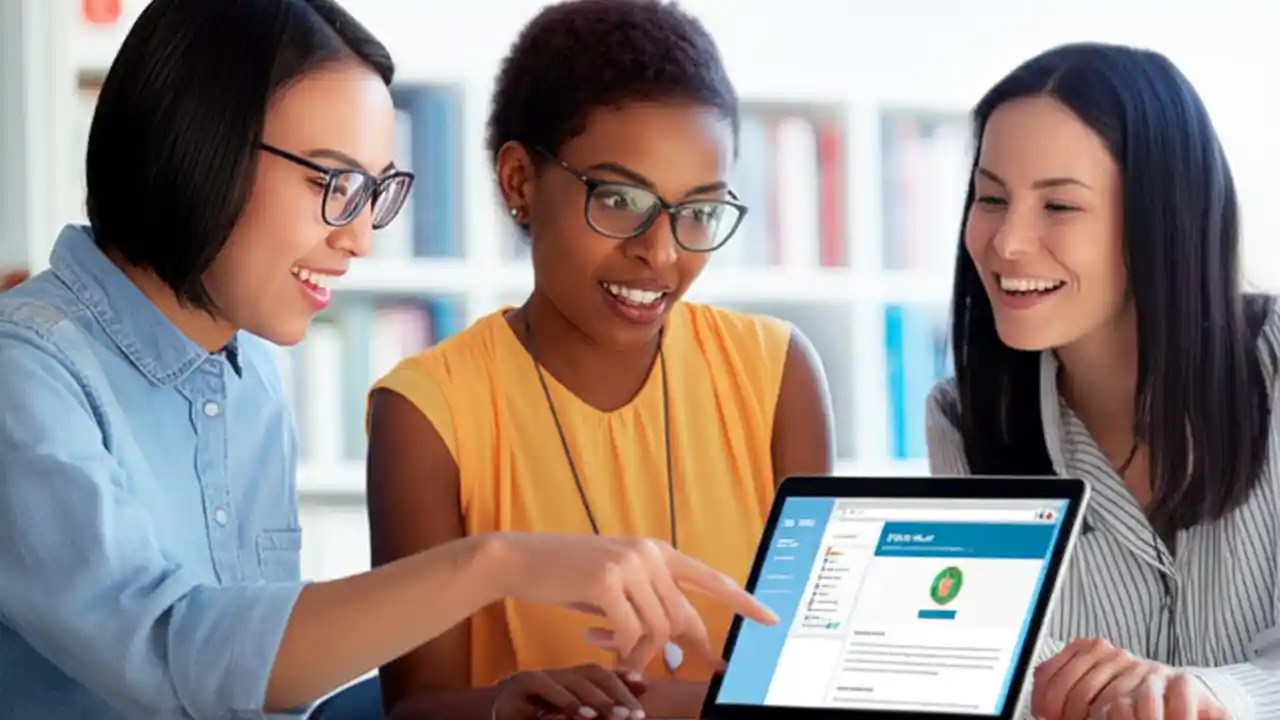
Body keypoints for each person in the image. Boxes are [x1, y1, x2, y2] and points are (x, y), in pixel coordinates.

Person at [0, 1, 778, 718]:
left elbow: (264, 690)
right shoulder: (28, 372)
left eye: (373, 192)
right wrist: (497, 564)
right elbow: (172, 655)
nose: (360, 237)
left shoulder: (248, 380)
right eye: (332, 183)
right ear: (197, 141)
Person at [365, 1, 836, 718]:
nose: (662, 252)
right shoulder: (430, 412)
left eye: (699, 212)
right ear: (520, 182)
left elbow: (809, 675)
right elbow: (414, 708)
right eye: (620, 199)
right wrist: (502, 706)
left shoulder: (775, 375)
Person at [926, 41, 1280, 720]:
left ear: (1159, 218)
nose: (1005, 243)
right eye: (991, 197)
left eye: (1058, 206)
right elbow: (994, 662)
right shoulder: (965, 420)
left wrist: (1207, 696)